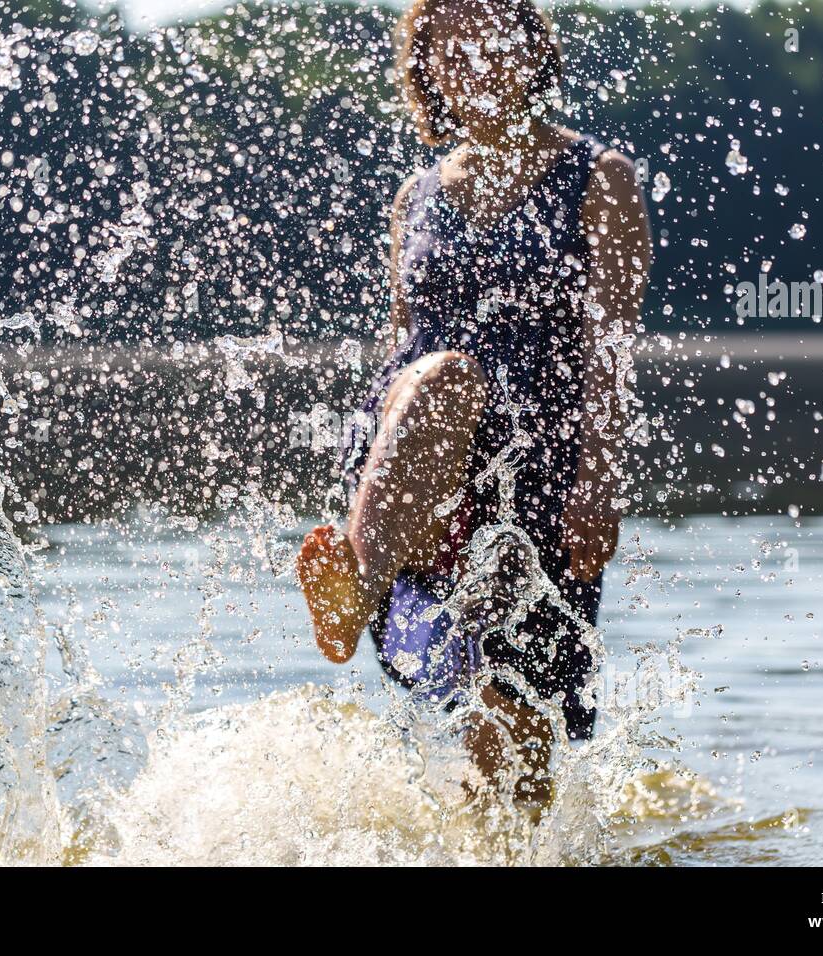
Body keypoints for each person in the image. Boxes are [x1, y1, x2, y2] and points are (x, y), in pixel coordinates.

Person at [297, 0, 651, 804]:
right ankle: (357, 577)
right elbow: (402, 344)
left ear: (533, 52)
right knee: (441, 372)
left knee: (514, 740)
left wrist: (597, 484)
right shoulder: (415, 193)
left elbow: (611, 353)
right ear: (429, 74)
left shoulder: (601, 179)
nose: (479, 69)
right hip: (425, 482)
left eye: (495, 47)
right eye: (454, 57)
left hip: (538, 475)